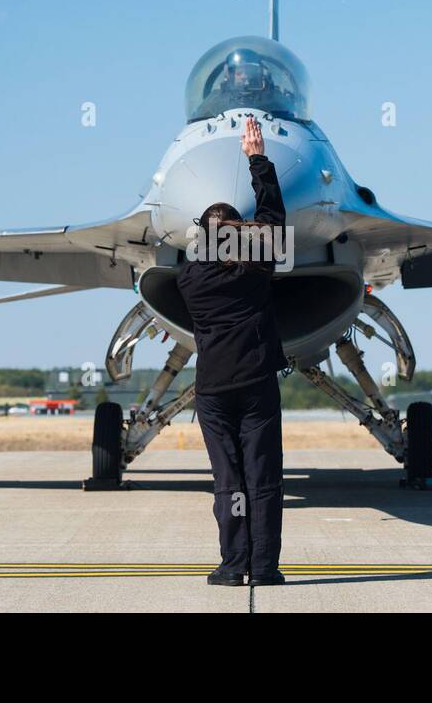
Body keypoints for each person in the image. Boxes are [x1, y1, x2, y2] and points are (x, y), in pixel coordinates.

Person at [176, 116, 287, 587]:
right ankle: (263, 569)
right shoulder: (256, 266)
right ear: (240, 235)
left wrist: (215, 232)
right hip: (257, 386)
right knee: (262, 480)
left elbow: (208, 247)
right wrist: (256, 160)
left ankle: (231, 565)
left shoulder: (189, 279)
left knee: (229, 483)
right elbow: (274, 219)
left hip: (214, 391)